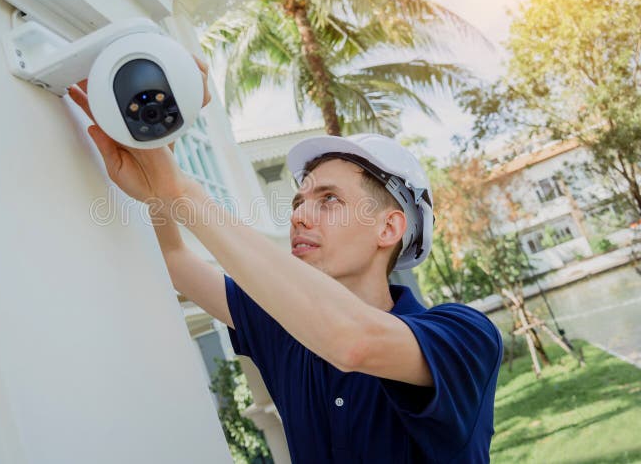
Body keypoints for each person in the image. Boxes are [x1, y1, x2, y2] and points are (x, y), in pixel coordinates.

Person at [68, 58, 502, 463]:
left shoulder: (464, 338)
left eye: (328, 199)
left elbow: (353, 341)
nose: (298, 215)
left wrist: (180, 191)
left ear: (388, 228)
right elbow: (175, 260)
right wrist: (153, 162)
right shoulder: (279, 324)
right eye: (298, 202)